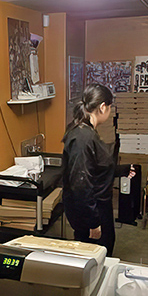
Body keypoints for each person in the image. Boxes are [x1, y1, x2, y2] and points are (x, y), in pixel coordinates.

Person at [61, 83, 134, 256]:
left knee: (102, 251)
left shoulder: (84, 130)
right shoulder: (82, 138)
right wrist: (93, 222)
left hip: (97, 208)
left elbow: (93, 168)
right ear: (102, 107)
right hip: (92, 211)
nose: (109, 111)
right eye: (109, 107)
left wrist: (120, 170)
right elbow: (81, 185)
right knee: (96, 256)